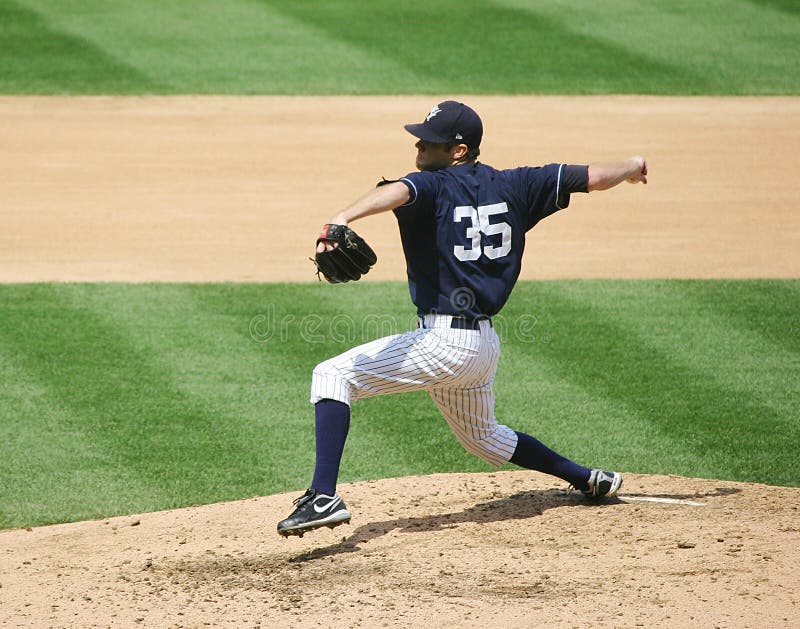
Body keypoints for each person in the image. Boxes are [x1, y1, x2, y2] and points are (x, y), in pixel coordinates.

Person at [278, 100, 647, 537]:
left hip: (444, 343)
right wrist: (633, 165)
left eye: (430, 140)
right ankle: (587, 478)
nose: (418, 144)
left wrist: (341, 217)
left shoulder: (432, 186)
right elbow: (596, 177)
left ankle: (323, 496)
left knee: (331, 376)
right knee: (484, 439)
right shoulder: (519, 184)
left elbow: (401, 190)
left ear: (458, 150)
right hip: (482, 347)